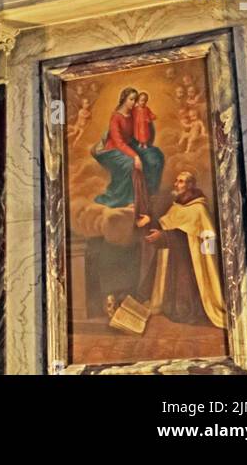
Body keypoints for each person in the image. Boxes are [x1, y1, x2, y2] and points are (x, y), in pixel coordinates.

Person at [143, 169, 227, 327]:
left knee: (187, 295)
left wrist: (208, 257)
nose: (176, 184)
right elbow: (167, 225)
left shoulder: (199, 208)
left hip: (193, 261)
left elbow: (204, 237)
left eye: (180, 181)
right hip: (176, 256)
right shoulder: (177, 206)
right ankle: (173, 309)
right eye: (176, 180)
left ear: (190, 185)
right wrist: (152, 224)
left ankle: (191, 311)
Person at [93, 86, 164, 228]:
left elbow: (144, 124)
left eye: (135, 100)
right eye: (131, 99)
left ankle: (149, 193)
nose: (133, 103)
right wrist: (136, 156)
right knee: (130, 163)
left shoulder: (134, 113)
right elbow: (118, 142)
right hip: (113, 149)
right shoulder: (116, 117)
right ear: (124, 99)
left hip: (131, 144)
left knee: (155, 156)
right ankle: (128, 199)